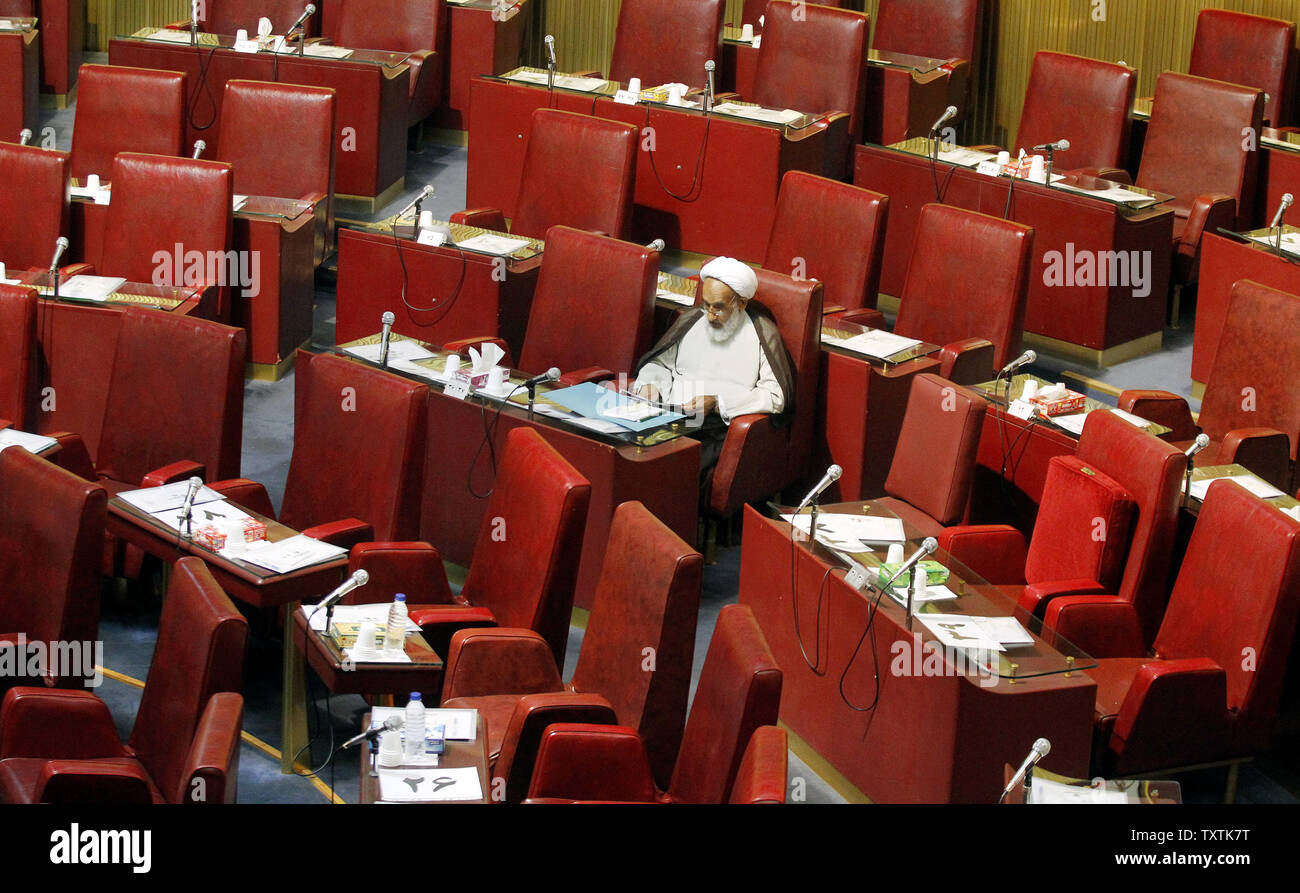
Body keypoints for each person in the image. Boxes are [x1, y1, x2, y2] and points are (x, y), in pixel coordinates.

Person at [632, 257, 795, 479]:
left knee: (669, 467)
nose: (709, 316)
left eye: (718, 308)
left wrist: (718, 403)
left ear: (742, 303)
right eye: (706, 304)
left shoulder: (763, 334)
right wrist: (652, 385)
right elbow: (660, 363)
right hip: (666, 415)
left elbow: (776, 396)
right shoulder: (692, 320)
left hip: (714, 431)